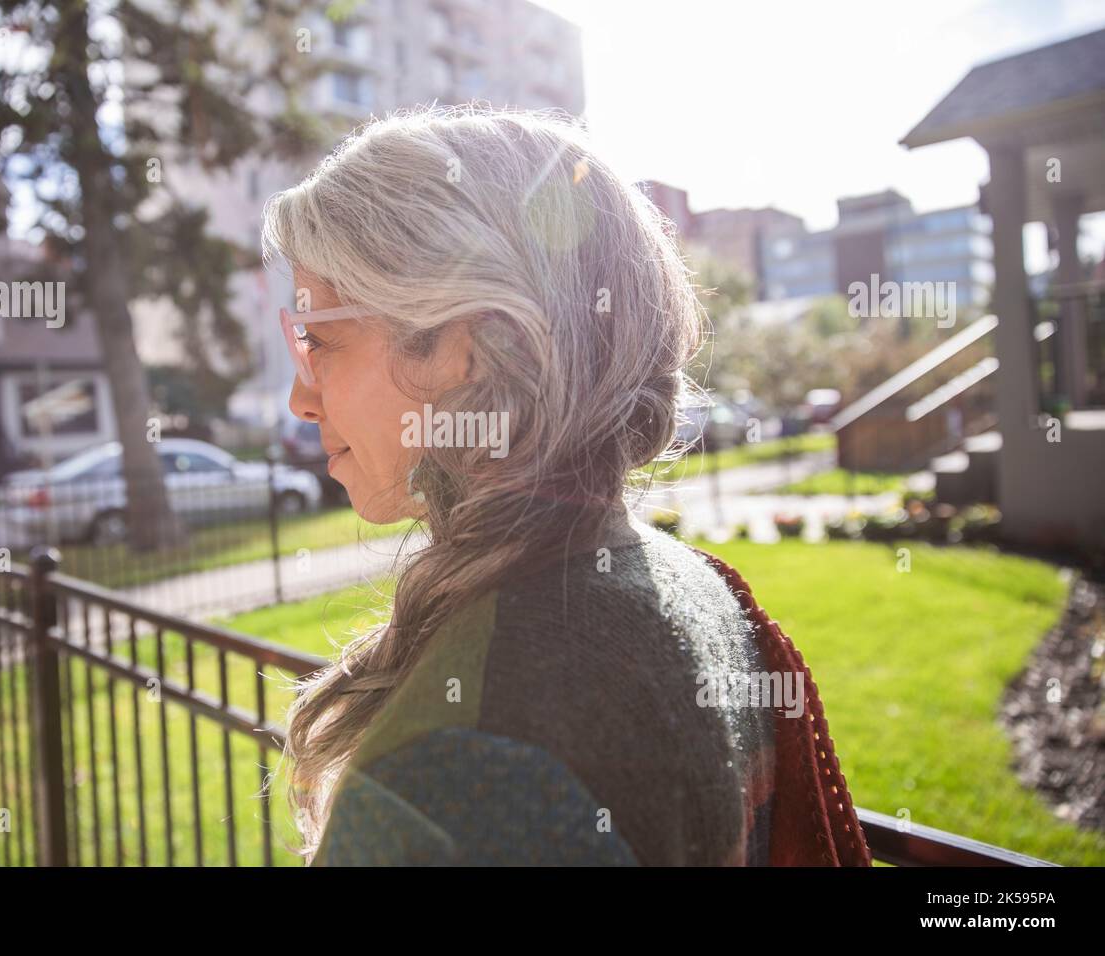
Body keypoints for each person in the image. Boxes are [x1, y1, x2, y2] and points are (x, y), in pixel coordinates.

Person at [261, 104, 870, 866]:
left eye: (318, 339)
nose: (300, 397)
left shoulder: (464, 776)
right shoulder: (692, 583)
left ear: (472, 348)